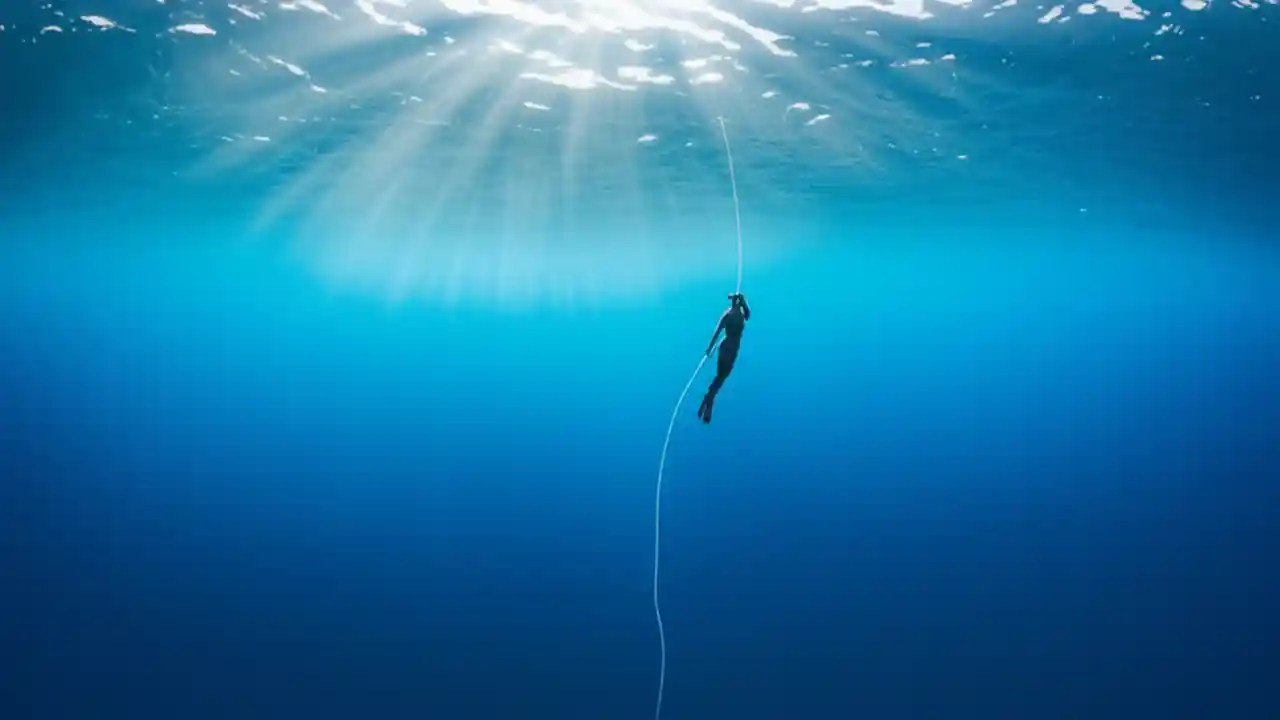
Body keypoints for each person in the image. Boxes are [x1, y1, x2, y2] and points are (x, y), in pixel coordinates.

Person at [697, 292, 750, 424]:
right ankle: (708, 401)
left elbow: (748, 315)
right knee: (720, 378)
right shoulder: (729, 315)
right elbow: (717, 332)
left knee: (720, 379)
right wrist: (709, 348)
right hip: (727, 350)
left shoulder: (741, 315)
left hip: (731, 351)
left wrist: (744, 302)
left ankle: (708, 399)